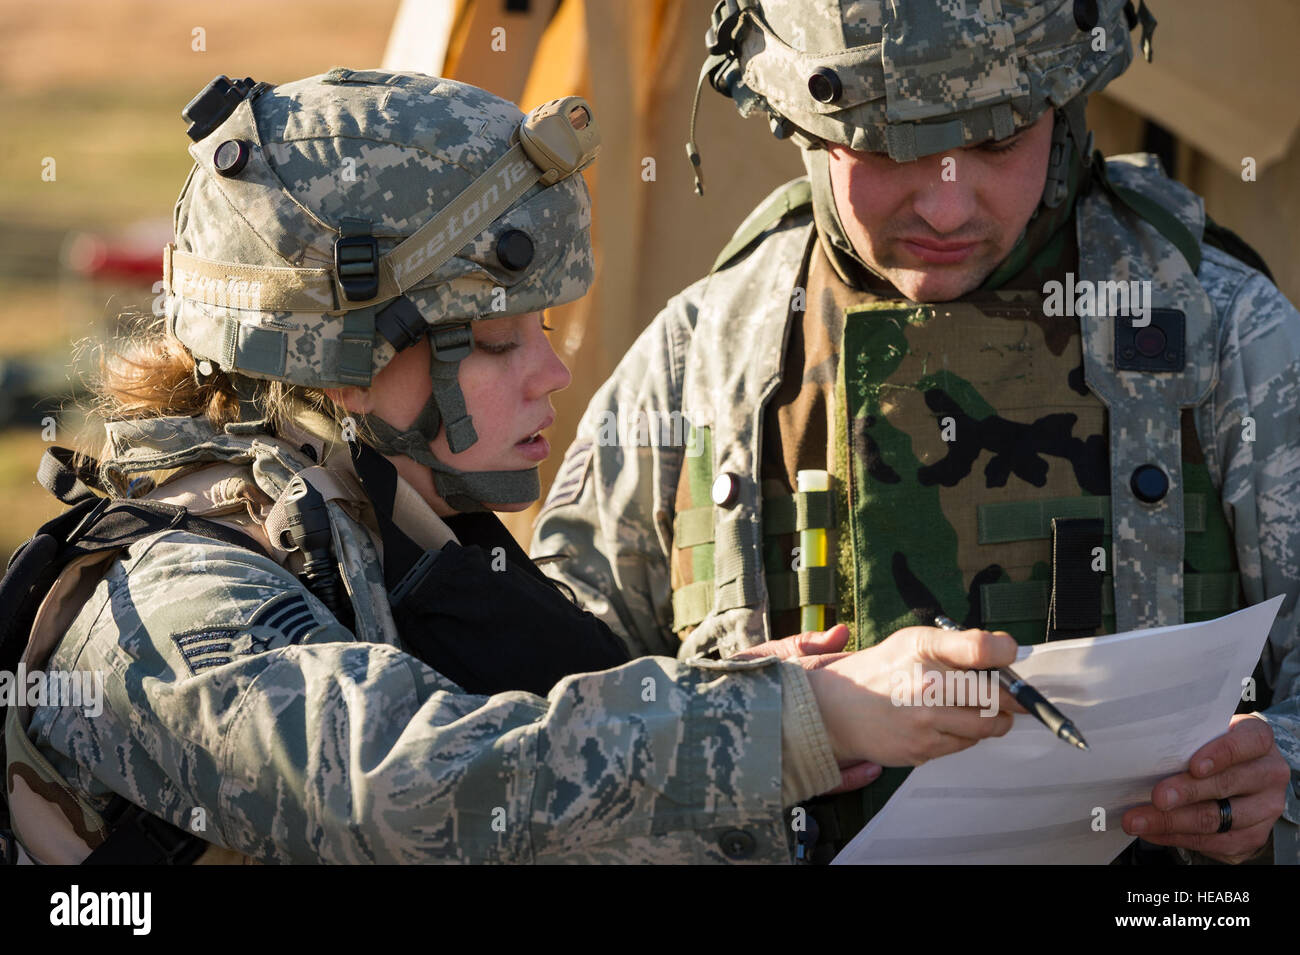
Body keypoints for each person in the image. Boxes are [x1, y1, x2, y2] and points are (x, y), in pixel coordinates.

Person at [1, 68, 1018, 865]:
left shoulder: (378, 536)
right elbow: (411, 787)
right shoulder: (176, 599)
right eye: (494, 343)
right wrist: (795, 718)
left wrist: (727, 710)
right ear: (342, 369)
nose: (552, 372)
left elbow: (531, 744)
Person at [532, 0, 1300, 864]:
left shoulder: (1220, 330)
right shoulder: (704, 354)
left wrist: (1278, 781)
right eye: (888, 146)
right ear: (803, 123)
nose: (945, 206)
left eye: (996, 140)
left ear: (1065, 104)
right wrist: (736, 721)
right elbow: (546, 712)